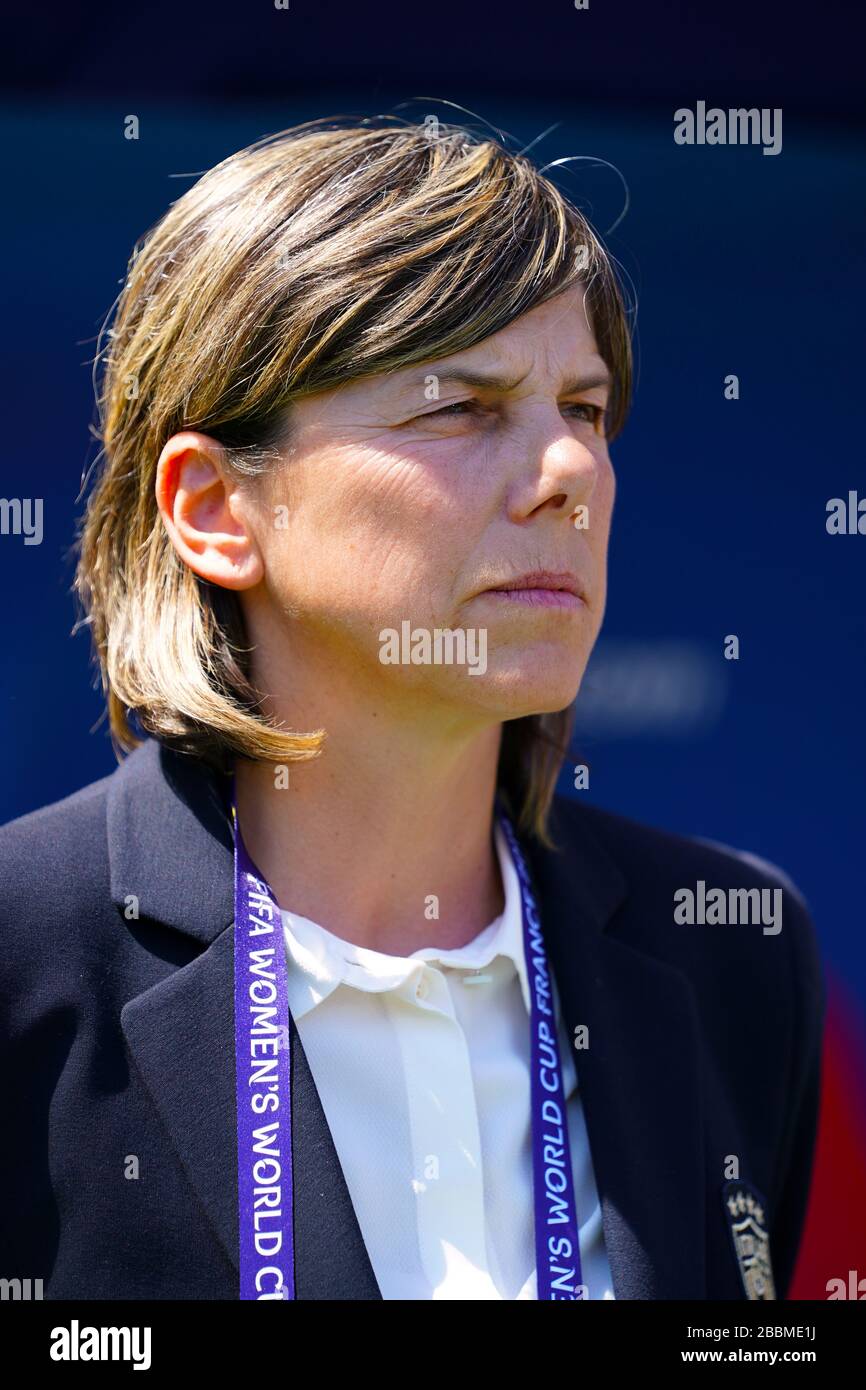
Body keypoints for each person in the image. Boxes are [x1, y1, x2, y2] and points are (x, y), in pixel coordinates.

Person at [0, 117, 824, 1300]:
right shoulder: (25, 959)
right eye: (459, 407)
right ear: (215, 509)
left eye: (583, 410)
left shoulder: (730, 952)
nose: (567, 474)